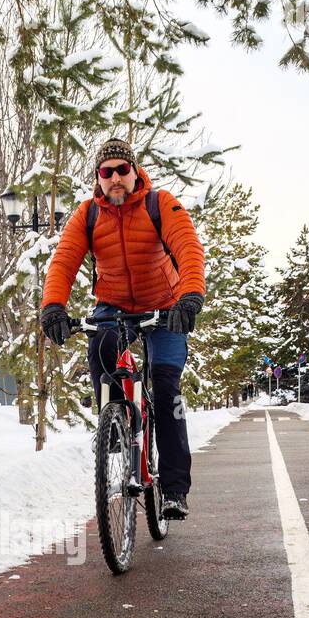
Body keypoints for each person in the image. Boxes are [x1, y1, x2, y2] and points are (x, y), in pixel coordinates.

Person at [39, 138, 205, 520]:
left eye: (122, 170)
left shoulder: (159, 204)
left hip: (165, 307)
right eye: (106, 172)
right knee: (101, 349)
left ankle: (175, 490)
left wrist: (190, 298)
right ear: (98, 179)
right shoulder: (88, 215)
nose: (115, 178)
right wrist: (53, 307)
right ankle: (116, 422)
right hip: (114, 305)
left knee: (165, 390)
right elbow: (64, 261)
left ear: (134, 173)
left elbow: (188, 248)